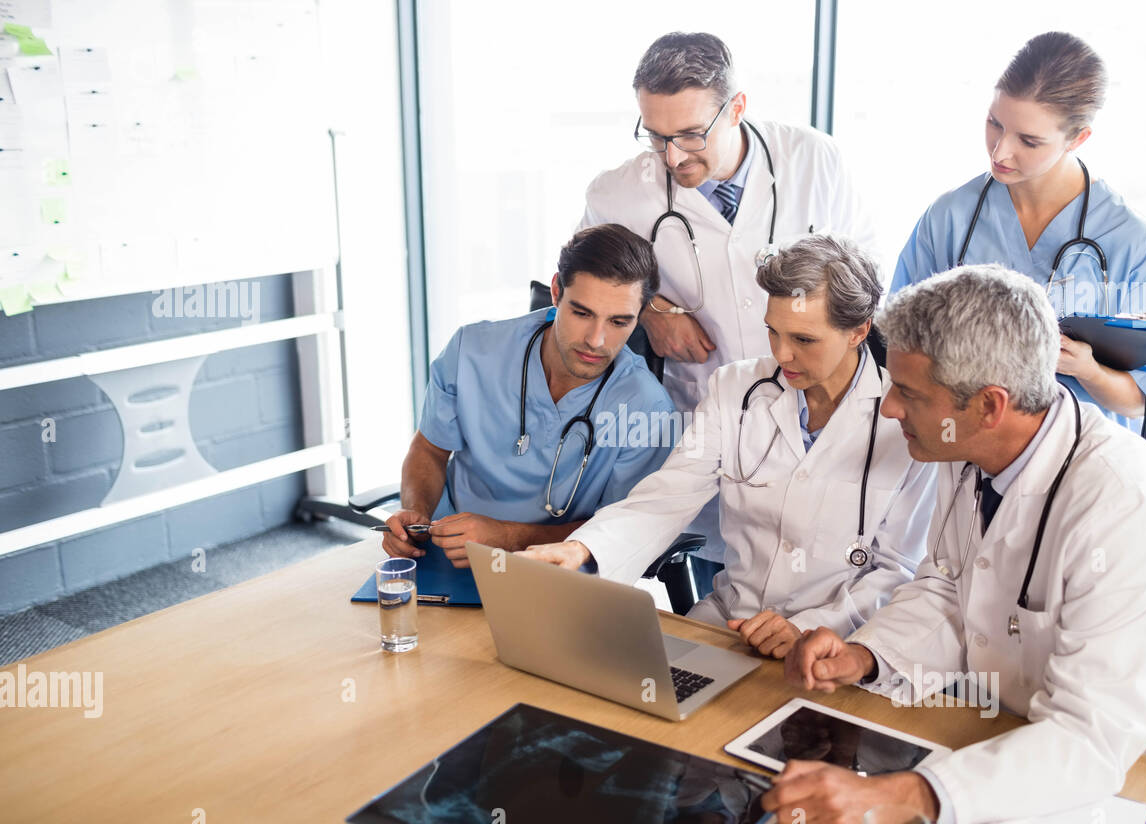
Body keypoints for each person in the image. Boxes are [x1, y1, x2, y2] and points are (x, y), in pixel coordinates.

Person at [764, 264, 1146, 824]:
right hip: (1028, 747)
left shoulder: (1126, 504)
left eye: (909, 393)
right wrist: (869, 654)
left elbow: (1091, 739)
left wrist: (906, 795)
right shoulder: (964, 445)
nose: (890, 408)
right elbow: (949, 586)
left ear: (989, 404)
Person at [517, 235, 933, 659]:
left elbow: (898, 569)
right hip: (729, 625)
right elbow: (666, 499)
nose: (782, 354)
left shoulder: (908, 423)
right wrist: (585, 550)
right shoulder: (736, 390)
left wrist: (809, 628)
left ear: (859, 331)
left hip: (837, 647)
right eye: (773, 332)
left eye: (804, 340)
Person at [580, 31, 877, 592]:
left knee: (833, 577)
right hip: (708, 410)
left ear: (736, 107)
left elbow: (868, 275)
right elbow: (592, 285)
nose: (672, 157)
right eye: (656, 136)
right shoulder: (618, 193)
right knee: (729, 578)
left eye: (691, 134)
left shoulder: (813, 160)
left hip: (823, 416)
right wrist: (653, 312)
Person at [891, 32, 1146, 431]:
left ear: (1077, 138)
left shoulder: (1128, 241)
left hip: (1078, 460)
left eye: (1029, 140)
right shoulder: (951, 217)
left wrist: (1089, 370)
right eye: (994, 123)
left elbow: (1144, 402)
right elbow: (899, 340)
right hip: (963, 449)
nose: (1000, 151)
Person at [381, 224, 676, 567]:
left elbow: (623, 531)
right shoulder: (472, 352)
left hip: (554, 574)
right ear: (555, 292)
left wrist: (507, 538)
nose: (597, 340)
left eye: (619, 322)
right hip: (443, 554)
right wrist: (416, 513)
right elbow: (429, 449)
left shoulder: (647, 407)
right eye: (582, 313)